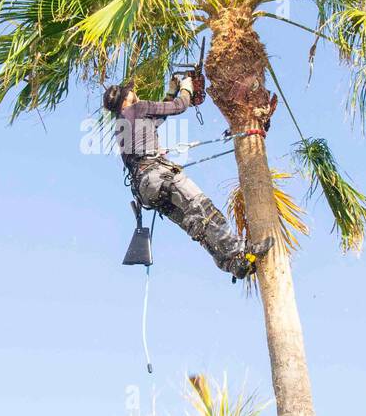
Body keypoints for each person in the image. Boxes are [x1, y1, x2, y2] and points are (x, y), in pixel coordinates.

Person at [103, 75, 273, 280]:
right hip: (159, 174)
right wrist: (186, 88)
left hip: (145, 190)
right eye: (131, 92)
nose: (135, 92)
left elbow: (157, 119)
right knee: (204, 209)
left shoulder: (122, 124)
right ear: (125, 99)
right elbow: (180, 106)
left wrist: (170, 91)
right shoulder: (138, 109)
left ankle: (232, 262)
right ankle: (241, 250)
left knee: (195, 225)